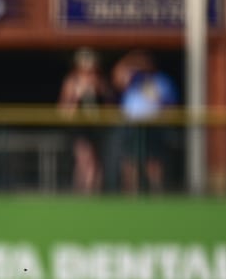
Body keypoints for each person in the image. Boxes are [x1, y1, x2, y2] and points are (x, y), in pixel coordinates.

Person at [109, 49, 177, 193]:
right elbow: (117, 77)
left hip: (153, 125)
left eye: (143, 64)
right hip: (131, 124)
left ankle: (156, 192)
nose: (140, 67)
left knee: (153, 160)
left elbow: (170, 103)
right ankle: (131, 194)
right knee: (129, 160)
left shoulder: (160, 80)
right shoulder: (132, 80)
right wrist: (128, 62)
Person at [58, 47, 112, 194]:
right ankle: (83, 193)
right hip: (79, 126)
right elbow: (64, 109)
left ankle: (94, 193)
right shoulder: (72, 81)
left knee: (96, 161)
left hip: (96, 125)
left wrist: (99, 90)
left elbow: (109, 104)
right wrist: (77, 95)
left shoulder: (100, 81)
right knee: (84, 159)